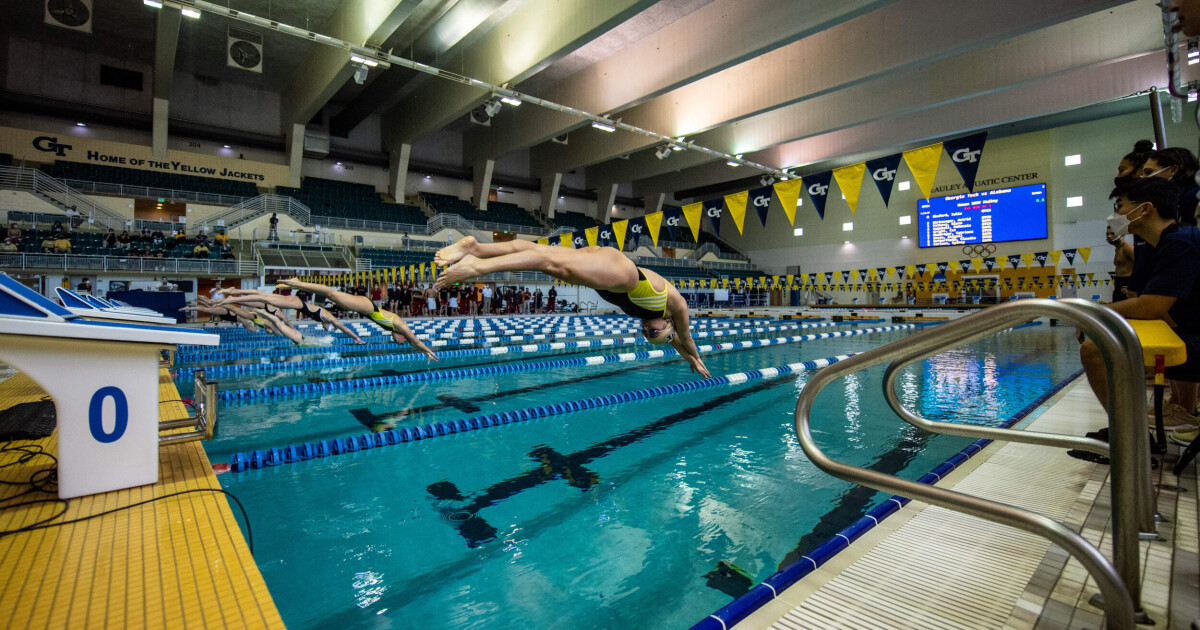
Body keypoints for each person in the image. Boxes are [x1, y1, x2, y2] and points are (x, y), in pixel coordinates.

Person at [435, 236, 709, 377]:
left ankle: (475, 249)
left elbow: (674, 341)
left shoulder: (661, 322)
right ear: (668, 323)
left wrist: (690, 360)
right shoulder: (677, 306)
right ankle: (476, 267)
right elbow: (684, 338)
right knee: (552, 266)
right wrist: (696, 354)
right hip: (623, 275)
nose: (646, 329)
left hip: (605, 264)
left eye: (646, 333)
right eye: (653, 331)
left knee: (540, 251)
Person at [1081, 178, 1200, 431]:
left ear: (1145, 208)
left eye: (1120, 206)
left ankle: (1128, 436)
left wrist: (1091, 314)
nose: (1115, 215)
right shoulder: (1171, 240)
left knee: (1095, 349)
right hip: (1190, 333)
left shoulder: (1180, 242)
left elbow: (1150, 306)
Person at [274, 278, 437, 359]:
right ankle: (298, 283)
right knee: (332, 294)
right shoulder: (402, 327)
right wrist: (428, 352)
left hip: (367, 309)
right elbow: (415, 341)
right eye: (397, 341)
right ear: (402, 336)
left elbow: (413, 343)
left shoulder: (396, 329)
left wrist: (423, 352)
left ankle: (297, 284)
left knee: (334, 296)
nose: (394, 339)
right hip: (368, 308)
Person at [215, 288, 365, 343]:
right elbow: (344, 328)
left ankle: (234, 294)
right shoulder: (331, 319)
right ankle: (234, 296)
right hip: (297, 303)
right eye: (326, 328)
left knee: (262, 297)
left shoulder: (323, 318)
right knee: (263, 298)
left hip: (297, 303)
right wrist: (356, 338)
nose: (324, 328)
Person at [1107, 226, 1134, 302]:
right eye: (1107, 234)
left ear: (1122, 234)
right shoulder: (1117, 249)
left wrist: (1134, 286)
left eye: (1112, 233)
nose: (1109, 236)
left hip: (1127, 282)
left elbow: (1141, 265)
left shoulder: (1127, 247)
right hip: (1118, 282)